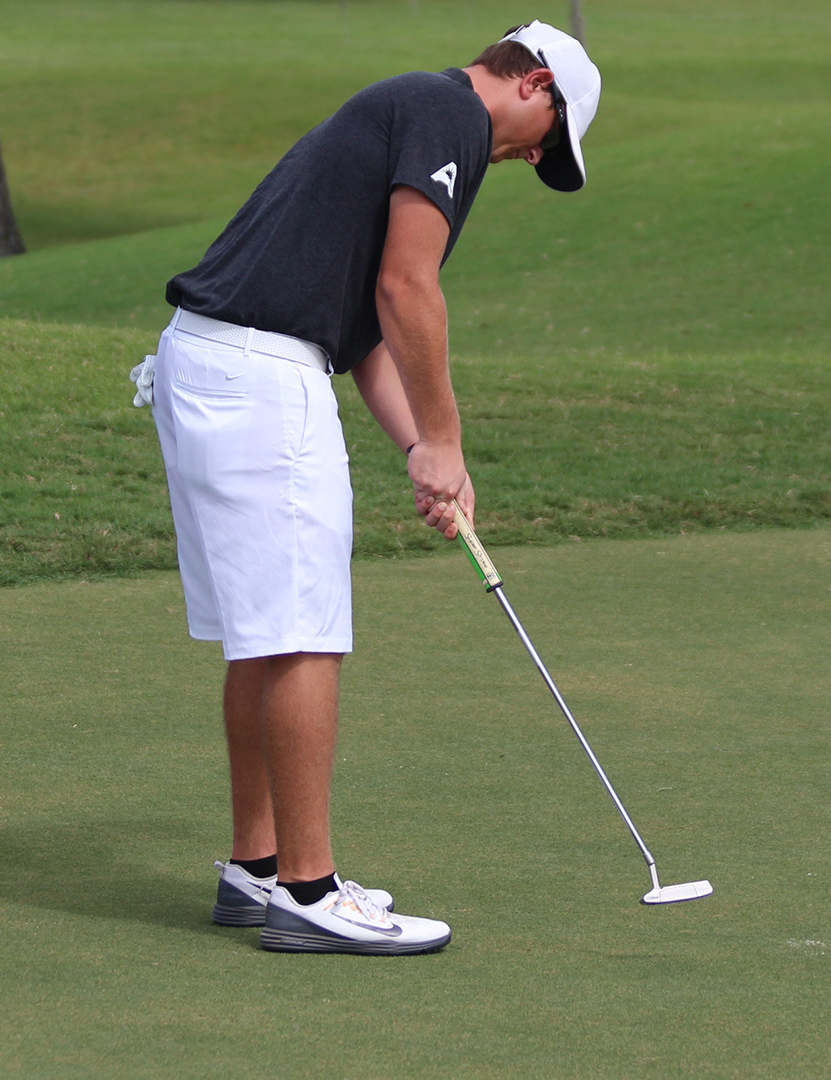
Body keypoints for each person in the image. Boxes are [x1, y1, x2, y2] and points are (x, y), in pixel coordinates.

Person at [129, 22, 602, 955]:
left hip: (210, 359)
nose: (528, 156)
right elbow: (406, 287)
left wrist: (427, 451)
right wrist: (449, 439)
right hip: (261, 374)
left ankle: (257, 868)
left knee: (265, 632)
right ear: (534, 83)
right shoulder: (447, 112)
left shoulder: (409, 107)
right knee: (301, 631)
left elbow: (372, 335)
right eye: (543, 140)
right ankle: (309, 892)